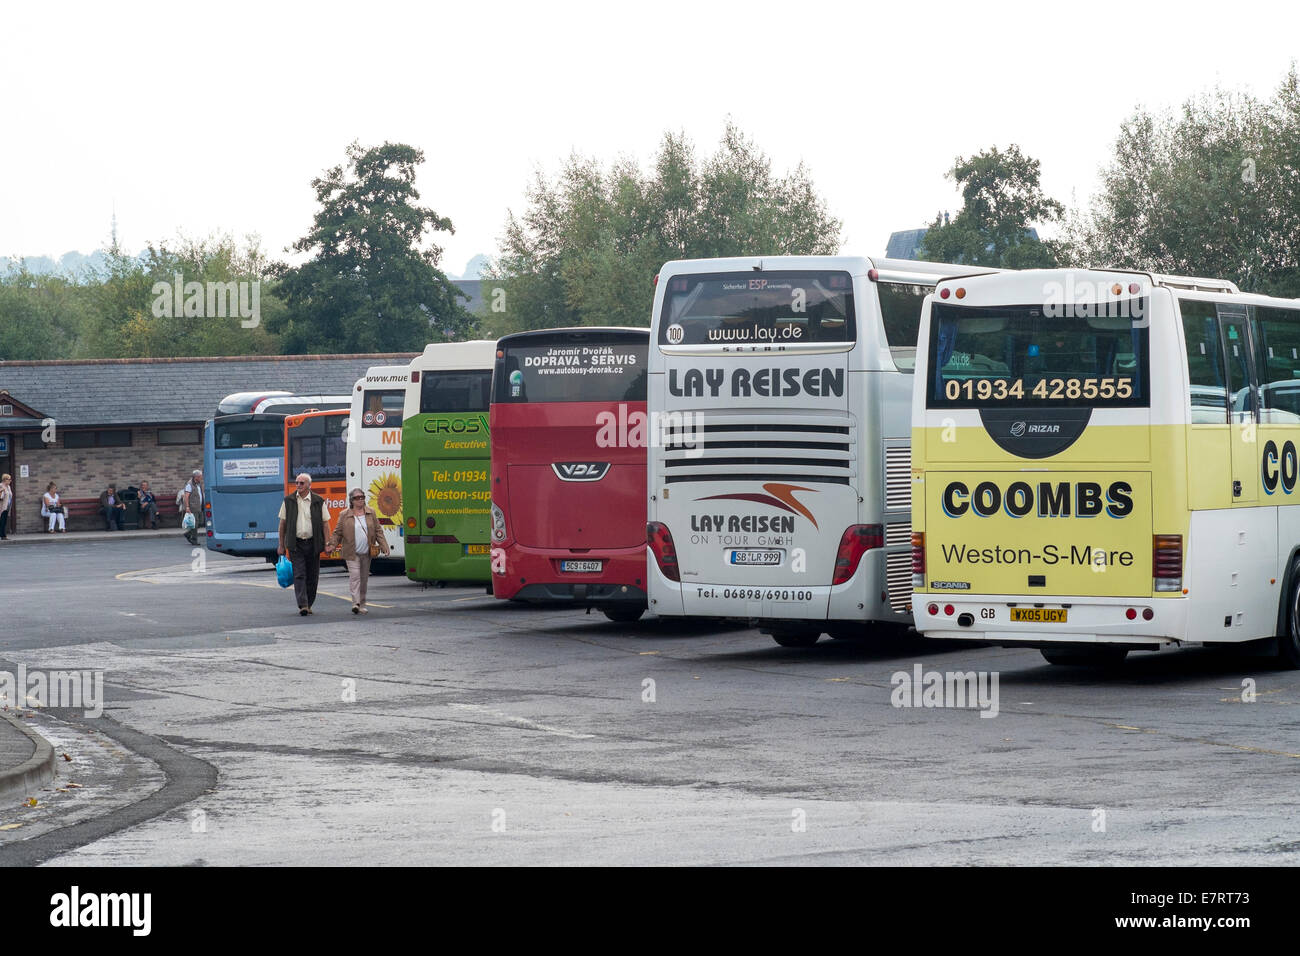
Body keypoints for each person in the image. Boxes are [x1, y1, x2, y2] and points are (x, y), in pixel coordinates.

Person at [328, 486, 390, 614]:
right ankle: (355, 603)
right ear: (352, 500)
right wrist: (332, 545)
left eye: (362, 497)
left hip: (367, 552)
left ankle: (362, 604)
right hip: (351, 552)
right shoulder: (344, 514)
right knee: (355, 576)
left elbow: (378, 531)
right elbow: (337, 532)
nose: (360, 500)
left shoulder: (371, 512)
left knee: (364, 579)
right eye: (357, 498)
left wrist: (384, 546)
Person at [277, 473, 330, 615]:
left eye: (302, 483)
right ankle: (303, 604)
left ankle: (309, 603)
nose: (298, 485)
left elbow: (326, 524)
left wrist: (327, 543)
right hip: (296, 544)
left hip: (313, 543)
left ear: (309, 485)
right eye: (297, 483)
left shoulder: (318, 501)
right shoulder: (288, 501)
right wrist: (281, 545)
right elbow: (282, 524)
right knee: (299, 574)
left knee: (313, 576)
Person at [181, 469, 204, 545]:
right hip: (193, 507)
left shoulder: (198, 484)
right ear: (196, 477)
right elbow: (186, 497)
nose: (201, 478)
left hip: (199, 506)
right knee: (195, 523)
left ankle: (188, 534)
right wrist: (187, 507)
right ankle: (194, 539)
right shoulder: (189, 485)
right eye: (200, 476)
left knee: (200, 522)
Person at [0, 474, 12, 540]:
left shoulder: (8, 487)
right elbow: (1, 497)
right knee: (2, 521)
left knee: (4, 521)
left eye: (10, 479)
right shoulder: (1, 486)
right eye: (9, 479)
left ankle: (3, 535)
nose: (10, 481)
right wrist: (2, 491)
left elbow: (10, 496)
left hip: (7, 506)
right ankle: (3, 536)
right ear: (5, 480)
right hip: (2, 506)